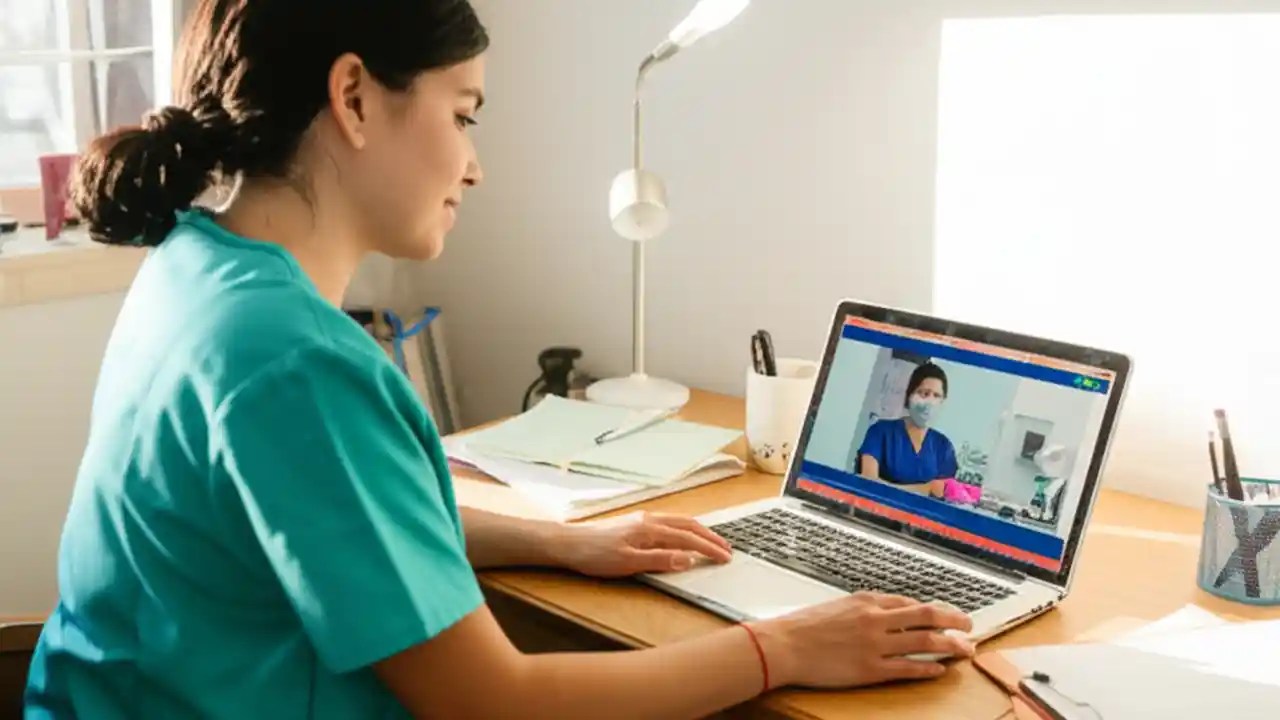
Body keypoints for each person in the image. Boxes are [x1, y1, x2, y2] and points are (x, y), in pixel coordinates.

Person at [24, 2, 973, 718]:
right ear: (354, 98)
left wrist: (559, 542)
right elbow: (494, 700)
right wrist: (786, 648)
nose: (474, 165)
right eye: (465, 114)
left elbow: (333, 522)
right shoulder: (296, 361)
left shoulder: (200, 265)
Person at [859, 363, 958, 497]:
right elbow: (868, 482)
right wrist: (925, 489)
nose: (930, 401)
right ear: (910, 395)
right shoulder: (880, 432)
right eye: (924, 393)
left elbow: (943, 494)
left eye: (936, 396)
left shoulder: (944, 447)